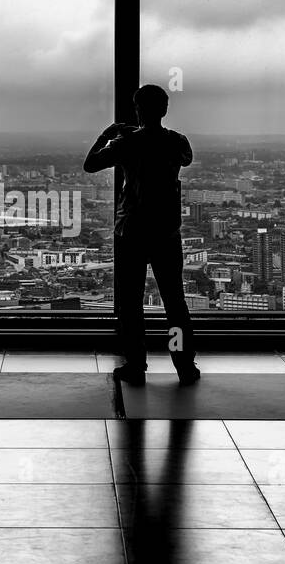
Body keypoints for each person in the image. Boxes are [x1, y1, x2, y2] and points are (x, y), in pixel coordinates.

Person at [84, 84, 200, 385]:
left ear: (137, 109)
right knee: (175, 303)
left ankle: (136, 365)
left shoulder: (126, 143)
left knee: (131, 303)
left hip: (132, 230)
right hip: (166, 230)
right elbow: (186, 158)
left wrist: (108, 135)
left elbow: (91, 164)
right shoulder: (177, 142)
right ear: (164, 109)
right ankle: (184, 365)